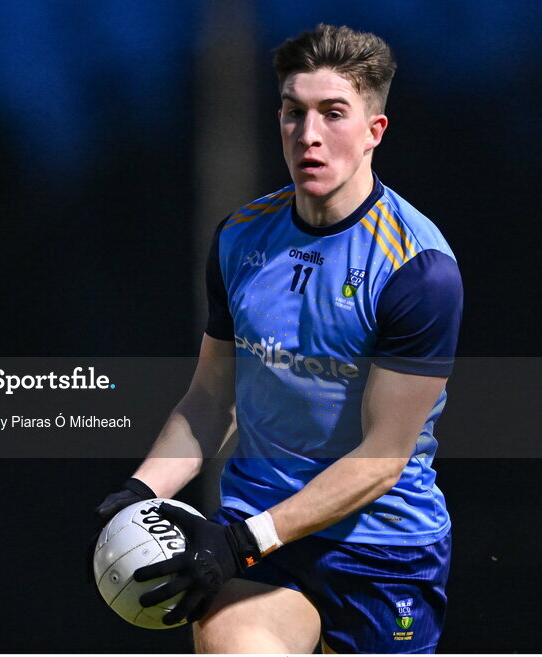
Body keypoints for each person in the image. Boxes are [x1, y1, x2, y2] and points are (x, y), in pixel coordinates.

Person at [94, 24, 461, 654]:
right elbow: (211, 398)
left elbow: (382, 459)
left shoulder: (418, 270)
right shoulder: (241, 239)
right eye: (294, 111)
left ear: (374, 132)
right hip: (262, 548)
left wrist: (241, 541)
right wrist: (141, 492)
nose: (309, 134)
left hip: (384, 550)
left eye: (333, 113)